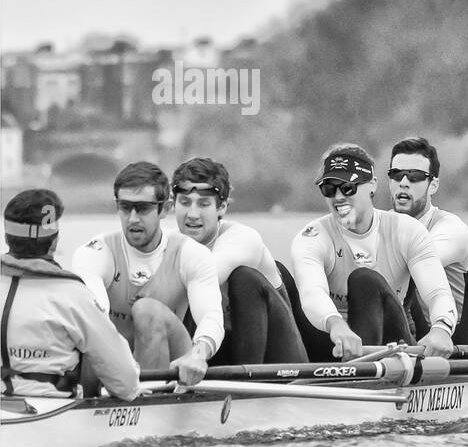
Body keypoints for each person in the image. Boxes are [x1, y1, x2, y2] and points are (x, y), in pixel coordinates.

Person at [287, 144, 458, 361]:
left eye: (348, 187)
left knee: (364, 279)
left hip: (393, 344)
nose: (338, 197)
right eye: (329, 189)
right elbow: (312, 293)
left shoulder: (407, 230)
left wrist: (442, 329)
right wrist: (336, 324)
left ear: (372, 186)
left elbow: (437, 293)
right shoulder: (312, 236)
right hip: (334, 345)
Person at [72, 161, 221, 386]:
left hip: (171, 363)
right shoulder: (94, 252)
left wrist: (198, 355)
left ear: (165, 209)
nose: (132, 219)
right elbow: (95, 313)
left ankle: (148, 397)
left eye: (142, 208)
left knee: (147, 310)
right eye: (125, 207)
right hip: (112, 363)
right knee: (90, 324)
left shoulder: (191, 254)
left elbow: (211, 317)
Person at [2, 190, 140, 399]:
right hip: (53, 410)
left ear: (7, 238)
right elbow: (126, 384)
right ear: (54, 242)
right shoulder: (73, 295)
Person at [170, 157, 308, 364]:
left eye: (204, 204)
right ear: (173, 204)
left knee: (244, 278)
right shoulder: (170, 243)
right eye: (185, 202)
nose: (192, 214)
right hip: (221, 351)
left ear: (222, 207)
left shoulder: (242, 238)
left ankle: (246, 385)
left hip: (279, 360)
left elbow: (206, 276)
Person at [387, 136, 468, 344]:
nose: (404, 183)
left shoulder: (451, 228)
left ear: (433, 185)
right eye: (396, 174)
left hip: (463, 337)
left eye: (415, 176)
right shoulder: (382, 224)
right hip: (416, 332)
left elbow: (421, 262)